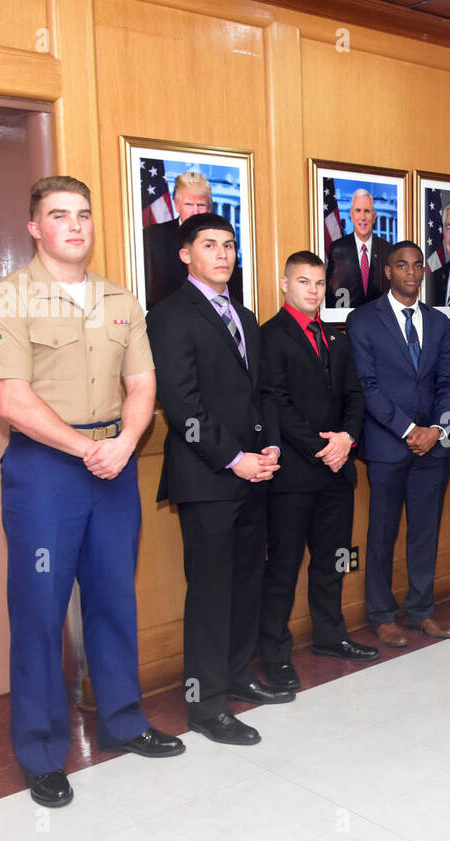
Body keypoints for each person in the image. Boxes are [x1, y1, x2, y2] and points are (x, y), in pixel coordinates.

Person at [0, 175, 183, 809]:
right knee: (40, 611)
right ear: (35, 227)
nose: (75, 225)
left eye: (84, 215)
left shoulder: (119, 299)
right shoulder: (7, 300)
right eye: (59, 215)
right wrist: (86, 447)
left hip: (115, 463)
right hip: (46, 470)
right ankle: (40, 751)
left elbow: (143, 383)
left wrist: (123, 443)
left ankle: (122, 719)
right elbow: (12, 399)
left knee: (115, 596)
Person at [147, 212, 291, 748]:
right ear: (186, 254)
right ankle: (205, 705)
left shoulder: (245, 316)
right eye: (210, 245)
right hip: (209, 477)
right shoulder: (168, 316)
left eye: (229, 245)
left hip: (256, 473)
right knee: (210, 593)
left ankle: (235, 676)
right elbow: (181, 405)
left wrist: (270, 444)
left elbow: (262, 395)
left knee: (246, 583)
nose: (223, 254)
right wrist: (235, 459)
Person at [257, 251, 375, 681]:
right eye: (304, 281)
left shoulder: (337, 337)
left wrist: (346, 439)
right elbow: (275, 402)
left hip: (337, 471)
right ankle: (273, 653)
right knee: (284, 566)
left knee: (334, 559)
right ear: (285, 284)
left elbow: (355, 395)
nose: (313, 290)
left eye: (320, 283)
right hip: (293, 475)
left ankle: (331, 633)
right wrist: (321, 447)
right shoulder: (269, 336)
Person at [347, 241, 450, 647]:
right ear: (388, 272)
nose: (410, 272)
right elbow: (367, 386)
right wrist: (409, 430)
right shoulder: (363, 320)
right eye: (401, 266)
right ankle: (381, 615)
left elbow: (448, 382)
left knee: (425, 533)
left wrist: (438, 431)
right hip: (388, 446)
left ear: (423, 273)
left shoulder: (438, 321)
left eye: (416, 266)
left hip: (434, 447)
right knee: (382, 534)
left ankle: (421, 611)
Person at [143, 171, 244, 308]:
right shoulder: (153, 237)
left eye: (201, 205)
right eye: (189, 205)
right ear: (177, 205)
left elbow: (235, 291)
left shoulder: (226, 243)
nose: (195, 212)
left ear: (209, 207)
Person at [326, 188, 387, 309]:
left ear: (374, 216)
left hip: (379, 321)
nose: (363, 217)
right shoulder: (337, 249)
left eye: (367, 211)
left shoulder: (387, 249)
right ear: (352, 215)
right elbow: (330, 294)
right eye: (358, 211)